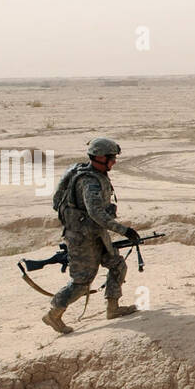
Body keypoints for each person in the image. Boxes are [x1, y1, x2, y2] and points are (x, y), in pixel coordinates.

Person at [43, 137, 143, 334]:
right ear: (99, 158)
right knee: (81, 282)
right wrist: (124, 230)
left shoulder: (97, 175)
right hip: (82, 239)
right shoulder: (89, 182)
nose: (114, 162)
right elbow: (96, 213)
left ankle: (113, 309)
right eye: (111, 158)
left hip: (95, 234)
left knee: (117, 265)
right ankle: (53, 314)